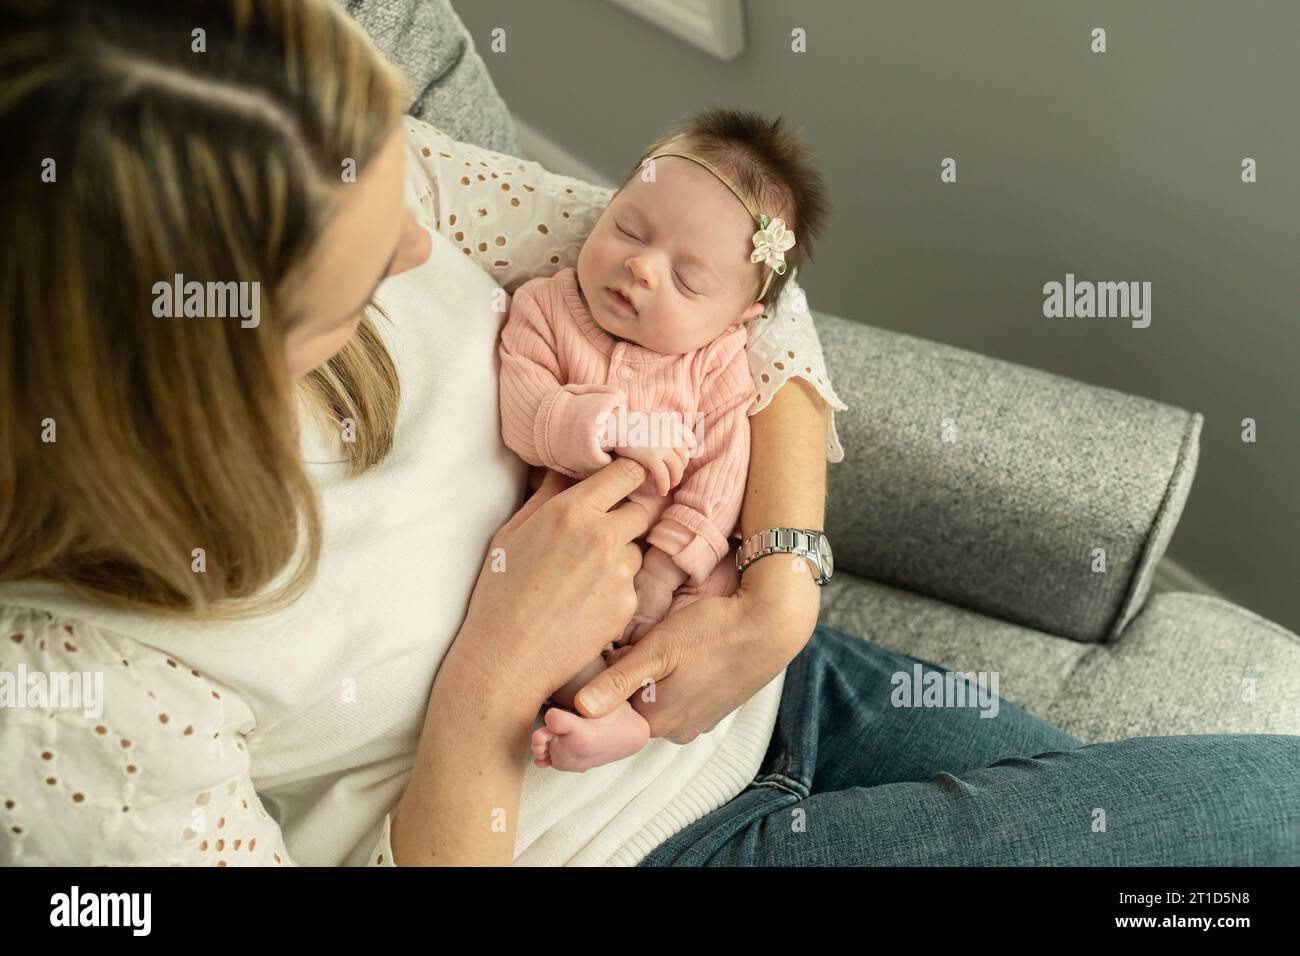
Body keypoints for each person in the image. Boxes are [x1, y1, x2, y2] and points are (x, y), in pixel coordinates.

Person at [1, 0, 1296, 868]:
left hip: (779, 680)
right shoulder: (70, 699)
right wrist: (486, 693)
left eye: (403, 177)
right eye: (345, 300)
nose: (418, 246)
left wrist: (779, 590)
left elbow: (748, 308)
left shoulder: (312, 138)